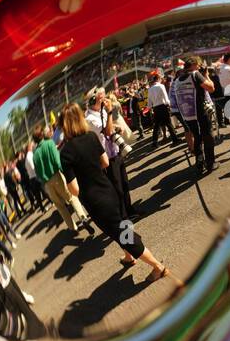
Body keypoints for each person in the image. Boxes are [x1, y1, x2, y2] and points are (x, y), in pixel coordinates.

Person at [59, 104, 175, 282]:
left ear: (64, 125)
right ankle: (129, 256)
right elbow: (105, 162)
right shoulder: (91, 137)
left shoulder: (66, 152)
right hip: (108, 189)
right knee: (120, 224)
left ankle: (158, 267)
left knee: (122, 233)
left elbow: (74, 190)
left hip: (95, 201)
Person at [86, 87, 136, 217]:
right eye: (100, 97)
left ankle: (130, 210)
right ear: (93, 100)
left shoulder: (100, 110)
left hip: (115, 151)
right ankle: (123, 217)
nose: (104, 99)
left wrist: (116, 127)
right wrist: (109, 113)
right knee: (117, 189)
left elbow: (109, 127)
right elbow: (107, 131)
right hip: (107, 157)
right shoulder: (90, 118)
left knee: (124, 184)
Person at [32, 126, 89, 230]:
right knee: (71, 197)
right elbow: (57, 162)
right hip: (57, 177)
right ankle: (82, 217)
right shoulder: (49, 143)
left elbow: (37, 174)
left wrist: (44, 183)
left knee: (60, 206)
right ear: (42, 135)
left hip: (47, 184)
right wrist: (67, 176)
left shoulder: (35, 155)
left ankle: (73, 227)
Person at [171, 55, 217, 174]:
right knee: (208, 136)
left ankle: (199, 162)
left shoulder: (177, 80)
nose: (200, 66)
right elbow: (211, 88)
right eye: (199, 64)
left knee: (197, 137)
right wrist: (206, 75)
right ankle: (210, 164)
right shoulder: (195, 74)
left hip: (188, 115)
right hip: (200, 112)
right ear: (194, 64)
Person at [147, 69, 177, 147]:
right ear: (158, 79)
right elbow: (166, 98)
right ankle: (174, 139)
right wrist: (169, 105)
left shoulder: (150, 89)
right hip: (163, 107)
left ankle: (154, 142)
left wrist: (149, 108)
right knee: (169, 124)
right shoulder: (161, 86)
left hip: (156, 108)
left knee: (156, 126)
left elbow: (149, 101)